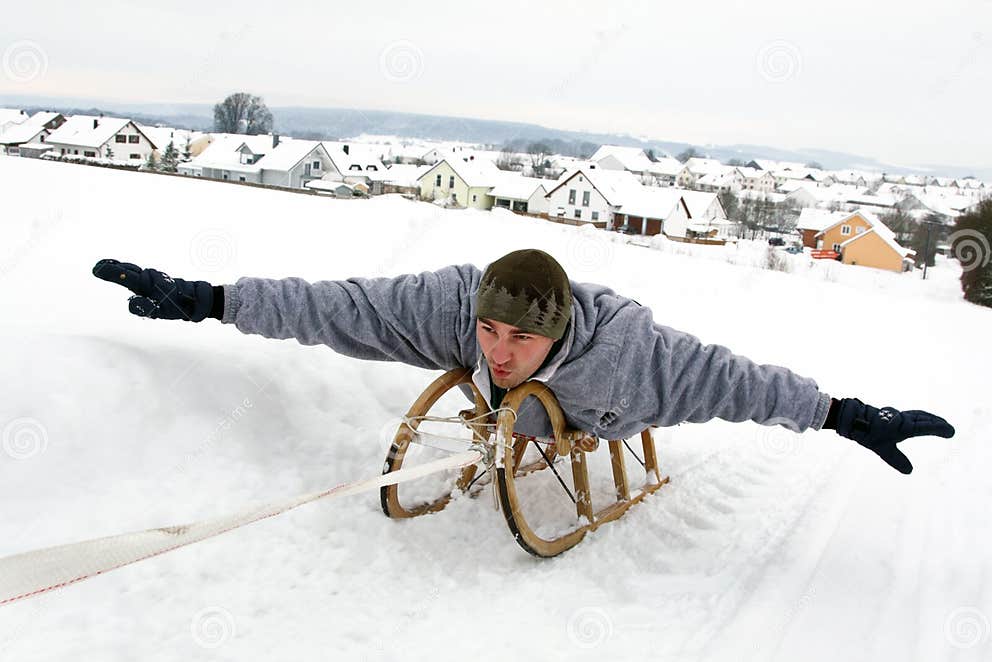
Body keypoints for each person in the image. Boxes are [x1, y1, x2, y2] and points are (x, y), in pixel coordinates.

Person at [91, 249, 954, 474]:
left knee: (536, 407)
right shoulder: (456, 308)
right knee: (502, 395)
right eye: (490, 336)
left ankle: (533, 420)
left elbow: (742, 382)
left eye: (521, 341)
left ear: (560, 328)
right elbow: (338, 304)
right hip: (528, 404)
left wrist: (844, 413)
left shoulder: (640, 358)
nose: (498, 354)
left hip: (597, 407)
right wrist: (211, 298)